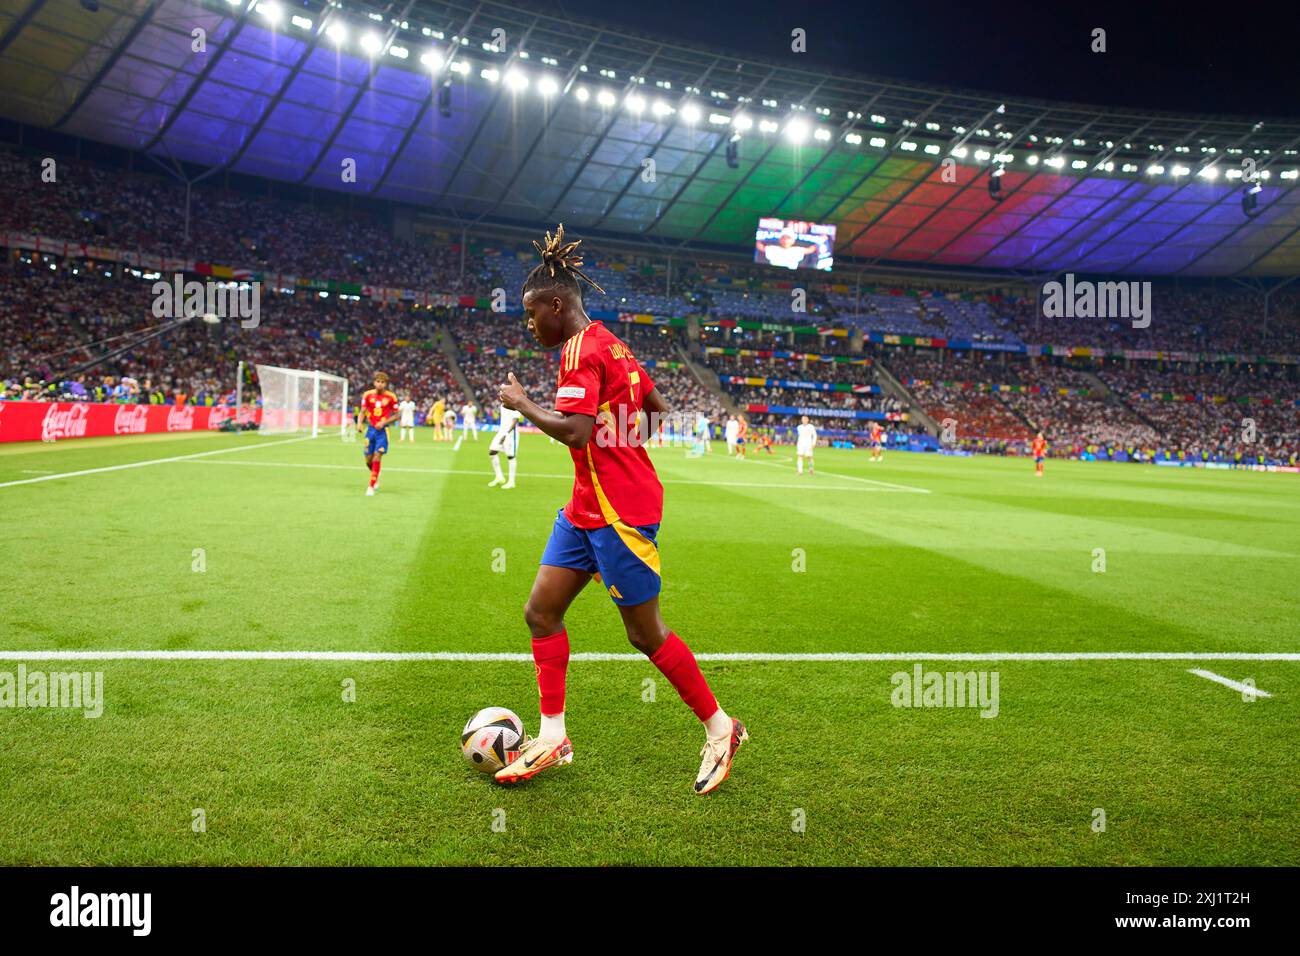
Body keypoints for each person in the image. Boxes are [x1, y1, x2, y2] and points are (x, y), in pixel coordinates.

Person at [493, 224, 746, 795]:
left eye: (533, 314)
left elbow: (577, 433)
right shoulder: (614, 343)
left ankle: (720, 727)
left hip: (620, 513)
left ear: (557, 305)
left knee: (644, 633)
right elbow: (657, 412)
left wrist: (522, 403)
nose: (530, 325)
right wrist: (621, 447)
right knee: (540, 612)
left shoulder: (579, 351)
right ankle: (553, 735)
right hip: (585, 508)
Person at [358, 372, 399, 496]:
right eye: (378, 381)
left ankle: (371, 486)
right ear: (374, 382)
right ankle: (376, 472)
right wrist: (359, 423)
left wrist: (384, 422)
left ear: (386, 384)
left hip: (383, 432)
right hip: (370, 431)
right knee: (368, 460)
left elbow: (397, 415)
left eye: (383, 382)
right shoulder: (367, 395)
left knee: (377, 456)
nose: (380, 384)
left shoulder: (391, 397)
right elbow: (362, 411)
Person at [488, 402, 522, 489]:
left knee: (511, 457)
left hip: (511, 435)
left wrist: (506, 434)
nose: (500, 395)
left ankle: (511, 482)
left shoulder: (515, 405)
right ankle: (499, 477)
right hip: (501, 432)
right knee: (492, 452)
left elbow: (515, 422)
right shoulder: (502, 405)